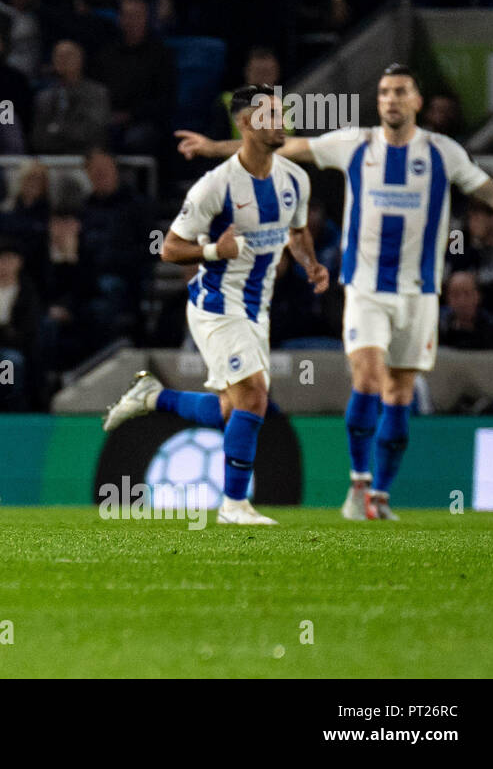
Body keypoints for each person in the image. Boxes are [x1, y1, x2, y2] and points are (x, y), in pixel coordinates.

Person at [178, 64, 493, 520]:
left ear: (416, 102)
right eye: (385, 92)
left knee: (399, 394)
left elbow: (490, 191)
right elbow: (284, 146)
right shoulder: (356, 143)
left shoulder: (442, 152)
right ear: (379, 102)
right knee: (368, 378)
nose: (391, 99)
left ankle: (381, 495)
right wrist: (216, 147)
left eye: (401, 92)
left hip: (419, 292)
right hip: (365, 287)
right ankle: (357, 485)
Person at [106, 85, 328, 525]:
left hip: (256, 308)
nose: (279, 121)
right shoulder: (216, 185)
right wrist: (213, 253)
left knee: (232, 407)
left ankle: (155, 397)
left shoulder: (294, 180)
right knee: (254, 398)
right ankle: (234, 506)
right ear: (245, 124)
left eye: (280, 113)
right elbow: (170, 249)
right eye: (267, 115)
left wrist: (311, 265)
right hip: (215, 302)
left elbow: (298, 232)